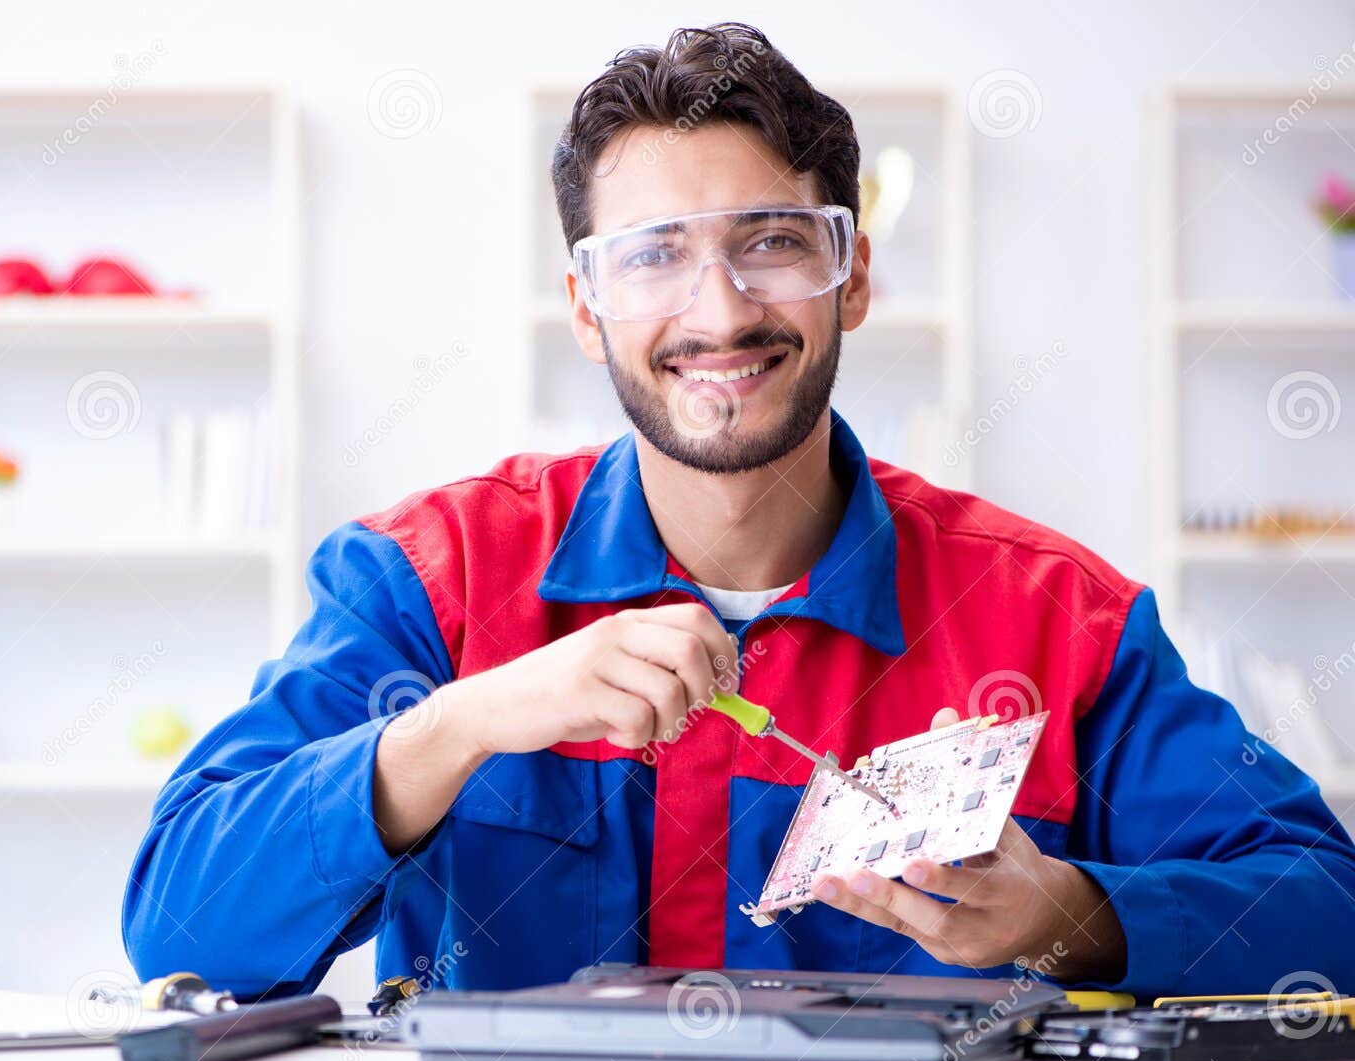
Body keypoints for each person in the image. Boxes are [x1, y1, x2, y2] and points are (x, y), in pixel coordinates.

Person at [123, 22, 1355, 1000]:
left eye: (769, 241)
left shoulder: (1055, 619)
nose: (717, 311)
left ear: (851, 275)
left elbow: (1324, 909)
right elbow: (179, 925)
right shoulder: (428, 581)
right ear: (586, 306)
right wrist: (460, 724)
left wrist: (1076, 918)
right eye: (652, 255)